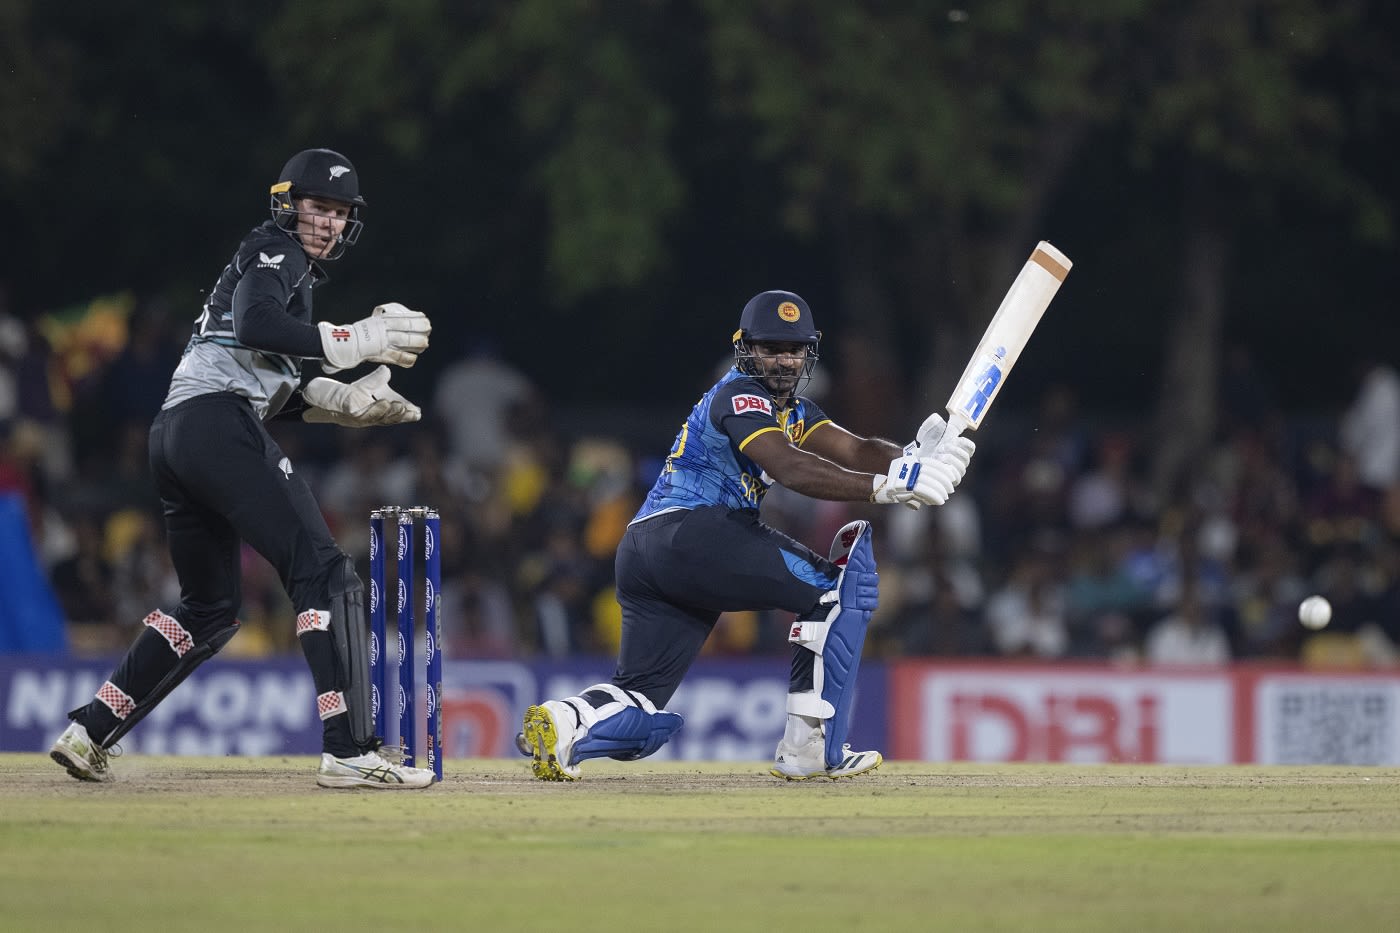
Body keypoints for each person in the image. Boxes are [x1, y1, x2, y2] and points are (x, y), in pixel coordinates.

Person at [48, 148, 437, 788]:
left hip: (177, 434)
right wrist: (353, 341)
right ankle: (349, 750)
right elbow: (258, 325)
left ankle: (89, 730)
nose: (328, 224)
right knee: (325, 573)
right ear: (288, 204)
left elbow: (254, 371)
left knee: (210, 609)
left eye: (340, 213)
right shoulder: (276, 250)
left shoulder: (280, 270)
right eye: (318, 208)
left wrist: (335, 405)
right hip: (213, 425)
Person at [519, 290, 975, 782]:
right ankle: (810, 750)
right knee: (835, 591)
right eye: (770, 347)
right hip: (694, 531)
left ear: (808, 353)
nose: (783, 359)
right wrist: (888, 487)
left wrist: (910, 458)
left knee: (641, 701)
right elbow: (789, 466)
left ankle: (567, 722)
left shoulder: (794, 410)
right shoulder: (740, 396)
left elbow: (856, 447)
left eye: (793, 349)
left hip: (647, 552)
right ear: (746, 349)